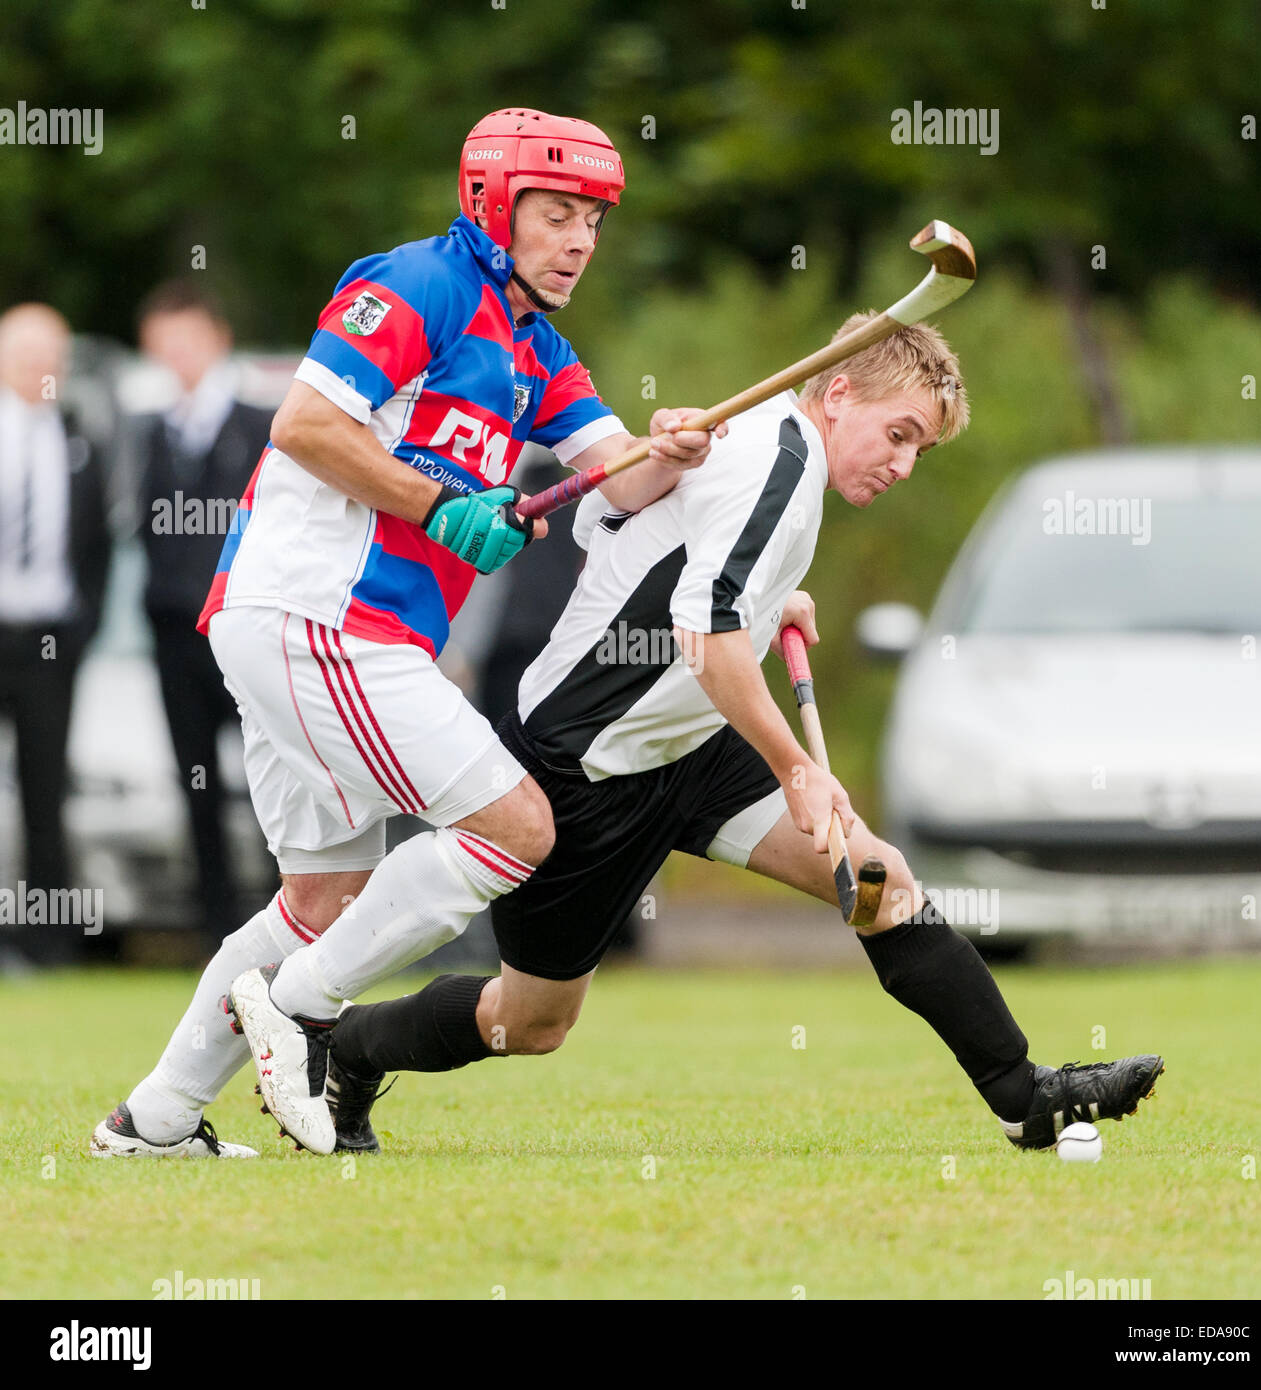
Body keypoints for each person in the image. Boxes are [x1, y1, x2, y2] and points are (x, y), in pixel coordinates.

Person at [237, 315, 1163, 1156]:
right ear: (838, 391)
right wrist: (796, 765)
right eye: (899, 434)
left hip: (686, 744)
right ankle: (350, 1047)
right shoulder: (780, 458)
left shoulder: (769, 446)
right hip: (585, 760)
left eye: (918, 448)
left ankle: (1023, 1096)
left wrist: (768, 604)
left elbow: (621, 531)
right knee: (533, 1022)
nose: (903, 462)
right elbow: (709, 641)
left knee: (872, 880)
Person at [91, 107, 722, 1157]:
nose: (579, 242)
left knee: (320, 899)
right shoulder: (422, 283)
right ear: (491, 204)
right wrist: (437, 505)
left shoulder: (539, 346)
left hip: (318, 631)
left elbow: (620, 475)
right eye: (557, 215)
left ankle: (153, 1120)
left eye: (594, 222)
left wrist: (678, 448)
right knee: (517, 827)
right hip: (321, 614)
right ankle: (298, 1010)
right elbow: (303, 423)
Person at [135, 281, 278, 948]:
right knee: (195, 781)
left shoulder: (261, 425)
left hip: (242, 628)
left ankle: (290, 919)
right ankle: (216, 926)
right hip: (173, 633)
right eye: (166, 340)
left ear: (218, 337)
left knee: (270, 777)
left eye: (189, 336)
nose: (179, 353)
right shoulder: (150, 435)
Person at [0, 304, 111, 967]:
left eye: (56, 356)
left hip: (48, 643)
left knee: (45, 792)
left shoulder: (77, 439)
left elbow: (96, 547)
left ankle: (46, 943)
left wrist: (81, 629)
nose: (48, 368)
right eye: (33, 354)